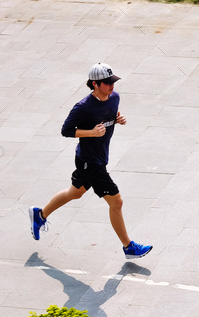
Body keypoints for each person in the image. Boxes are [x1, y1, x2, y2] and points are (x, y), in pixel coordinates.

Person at [29, 63, 152, 259]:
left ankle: (40, 214)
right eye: (107, 83)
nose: (112, 86)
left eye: (113, 82)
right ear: (95, 84)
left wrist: (117, 118)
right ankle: (129, 247)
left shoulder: (115, 98)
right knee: (117, 202)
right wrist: (91, 133)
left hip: (99, 157)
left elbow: (108, 115)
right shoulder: (83, 107)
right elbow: (66, 130)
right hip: (89, 160)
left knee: (75, 193)